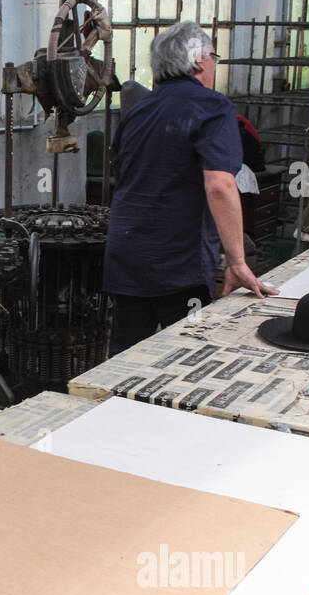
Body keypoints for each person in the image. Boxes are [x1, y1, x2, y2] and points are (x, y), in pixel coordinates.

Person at [103, 21, 278, 354]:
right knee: (185, 356)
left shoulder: (139, 110)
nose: (214, 64)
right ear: (200, 59)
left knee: (124, 360)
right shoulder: (211, 106)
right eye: (214, 56)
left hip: (126, 256)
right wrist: (237, 262)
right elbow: (220, 185)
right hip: (176, 263)